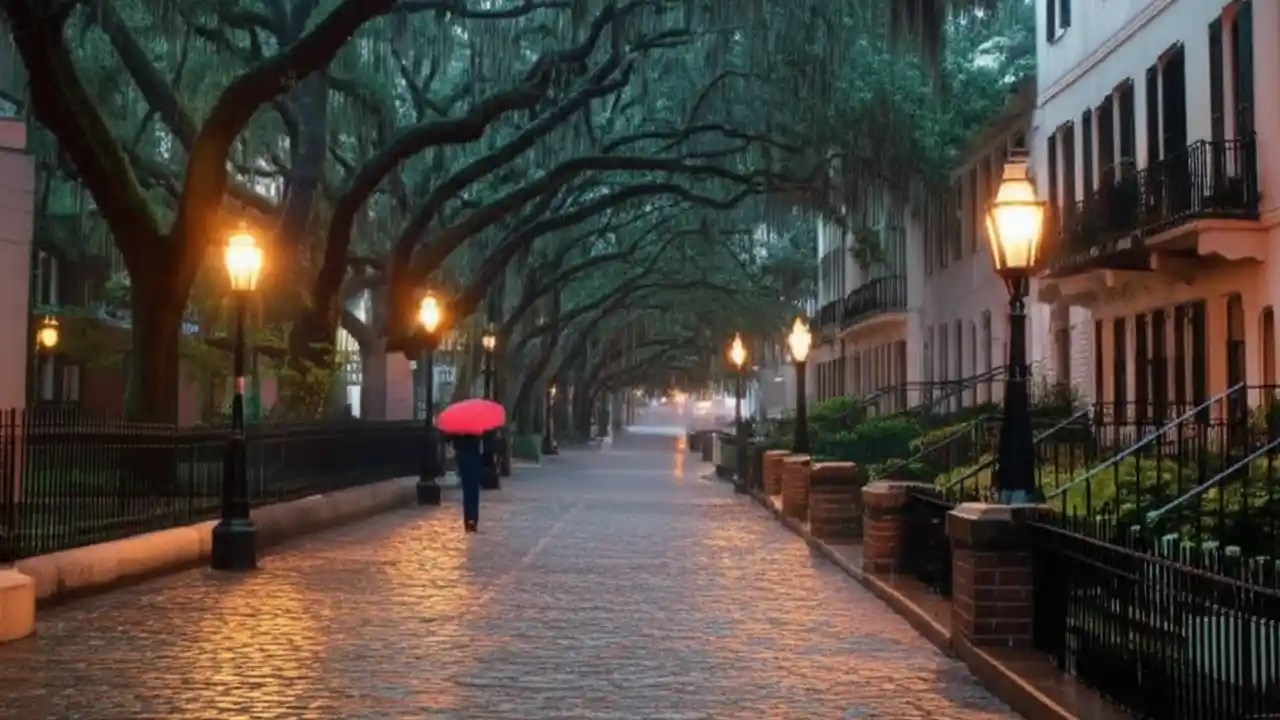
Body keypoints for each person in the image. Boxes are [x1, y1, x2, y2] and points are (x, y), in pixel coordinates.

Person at [452, 433, 483, 533]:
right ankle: (472, 520)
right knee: (473, 491)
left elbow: (453, 441)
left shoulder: (459, 427)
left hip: (463, 457)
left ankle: (469, 520)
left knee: (467, 491)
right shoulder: (476, 427)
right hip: (473, 458)